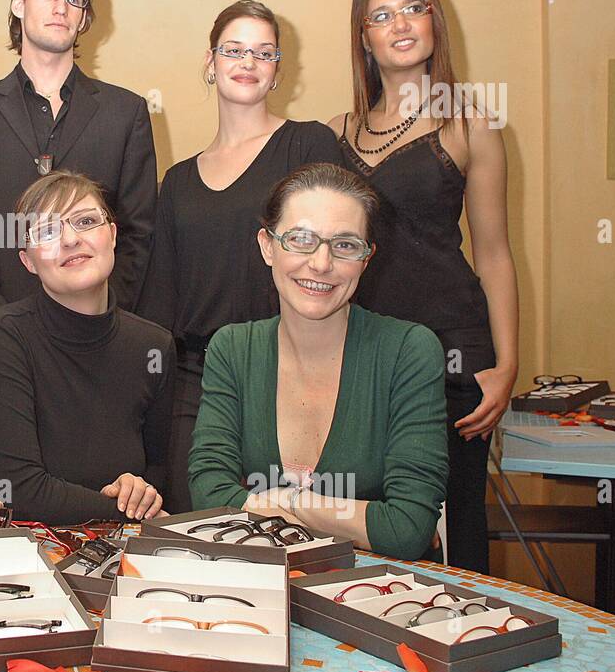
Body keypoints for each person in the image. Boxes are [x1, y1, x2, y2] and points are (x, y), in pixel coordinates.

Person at [328, 0, 518, 572]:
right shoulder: (336, 133)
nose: (400, 24)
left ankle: (469, 649)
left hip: (454, 350)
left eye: (413, 7)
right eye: (381, 15)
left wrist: (507, 362)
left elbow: (493, 252)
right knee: (368, 516)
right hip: (362, 353)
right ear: (364, 37)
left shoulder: (471, 122)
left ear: (434, 19)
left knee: (458, 518)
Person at [138, 0, 343, 513]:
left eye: (263, 52)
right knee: (203, 532)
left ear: (277, 72)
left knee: (292, 539)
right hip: (196, 383)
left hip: (287, 373)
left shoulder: (308, 143)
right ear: (210, 63)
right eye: (234, 49)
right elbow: (159, 302)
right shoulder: (178, 181)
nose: (247, 61)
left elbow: (338, 258)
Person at [189, 164, 449, 562]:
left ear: (366, 259)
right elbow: (209, 494)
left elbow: (408, 529)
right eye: (301, 239)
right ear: (266, 246)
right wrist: (357, 519)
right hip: (266, 589)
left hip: (382, 600)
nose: (321, 264)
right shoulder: (233, 349)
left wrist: (291, 504)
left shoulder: (409, 351)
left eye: (344, 245)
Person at [0, 0, 157, 315]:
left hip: (97, 330)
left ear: (84, 17)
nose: (61, 7)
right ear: (18, 3)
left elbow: (138, 234)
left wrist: (98, 310)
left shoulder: (126, 113)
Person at [0, 171, 175, 525]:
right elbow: (19, 489)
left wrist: (139, 491)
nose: (70, 239)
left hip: (123, 549)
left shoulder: (154, 346)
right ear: (28, 261)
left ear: (113, 236)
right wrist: (124, 512)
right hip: (32, 547)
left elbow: (159, 468)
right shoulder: (4, 337)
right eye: (48, 231)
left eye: (85, 221)